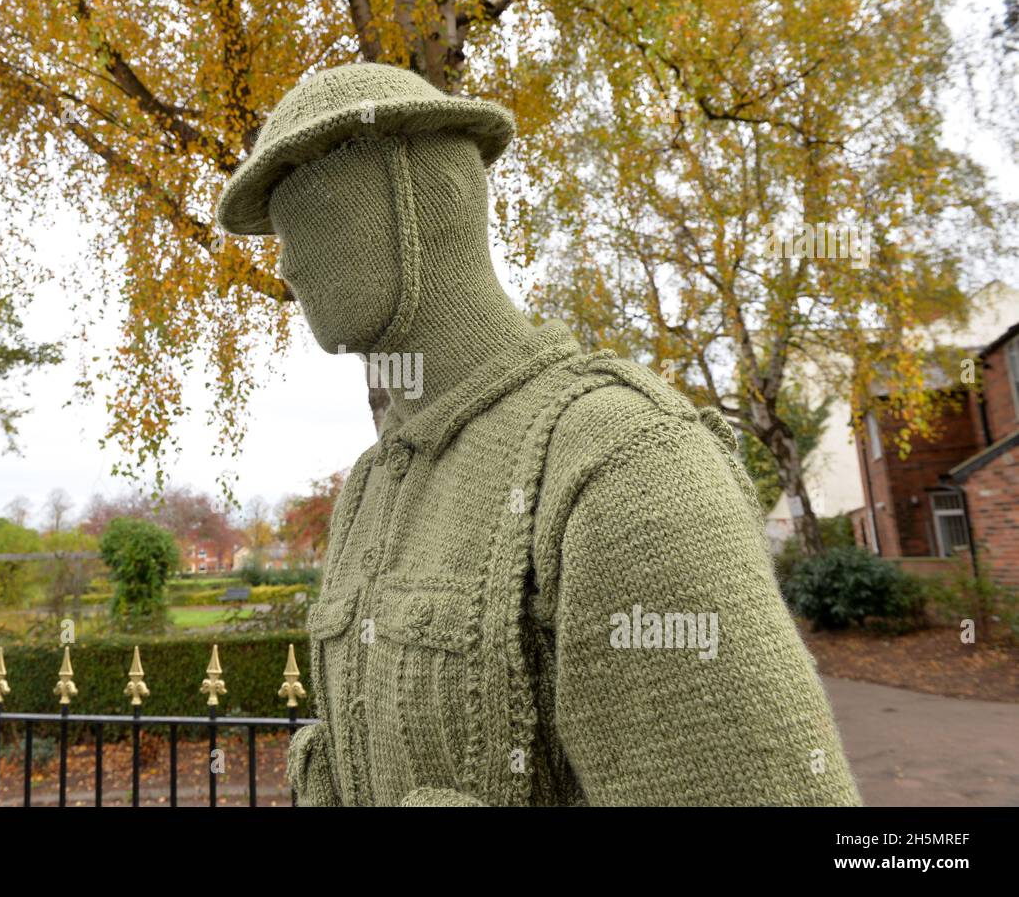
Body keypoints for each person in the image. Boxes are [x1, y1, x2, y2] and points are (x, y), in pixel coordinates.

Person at [215, 62, 861, 806]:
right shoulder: (368, 487)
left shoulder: (618, 463)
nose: (290, 264)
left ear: (427, 205)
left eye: (314, 220)